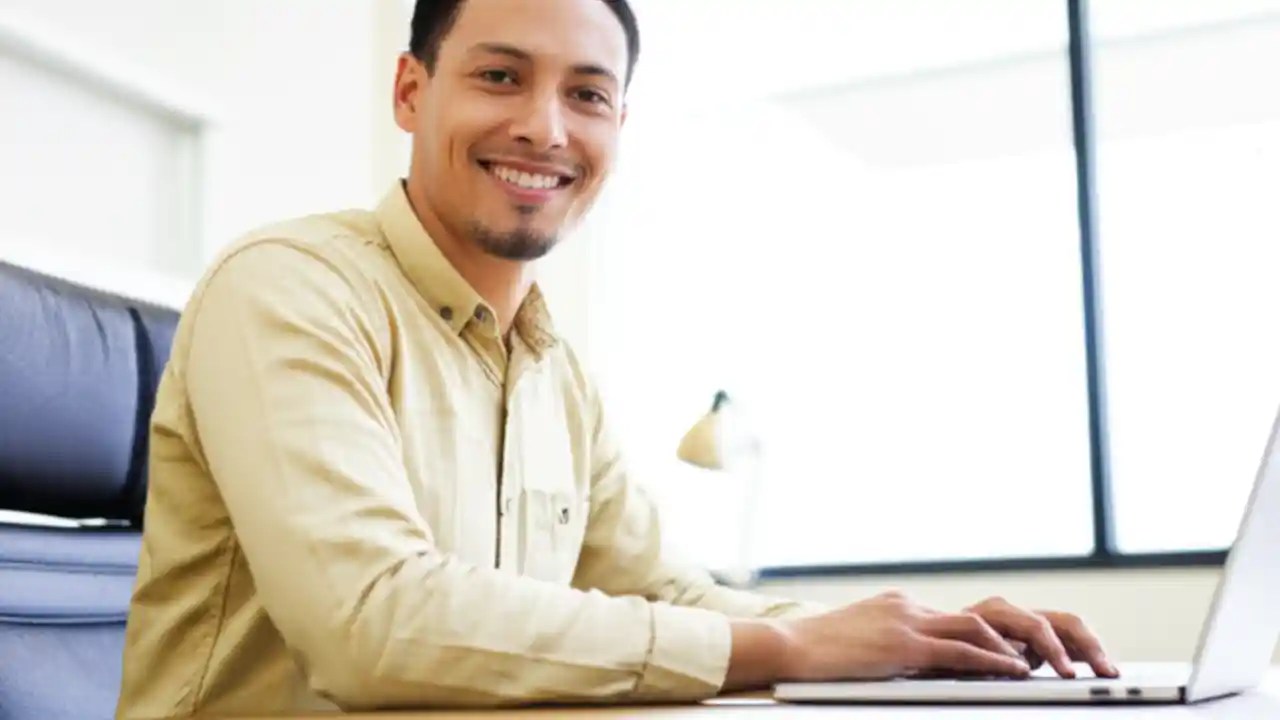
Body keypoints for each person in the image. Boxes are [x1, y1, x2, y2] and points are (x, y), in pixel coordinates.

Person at [116, 0, 1119, 717]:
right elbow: (368, 622)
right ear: (411, 92)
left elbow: (660, 592)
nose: (544, 127)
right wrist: (781, 647)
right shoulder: (290, 288)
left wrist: (905, 640)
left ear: (616, 127)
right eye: (499, 76)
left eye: (587, 95)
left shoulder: (553, 370)